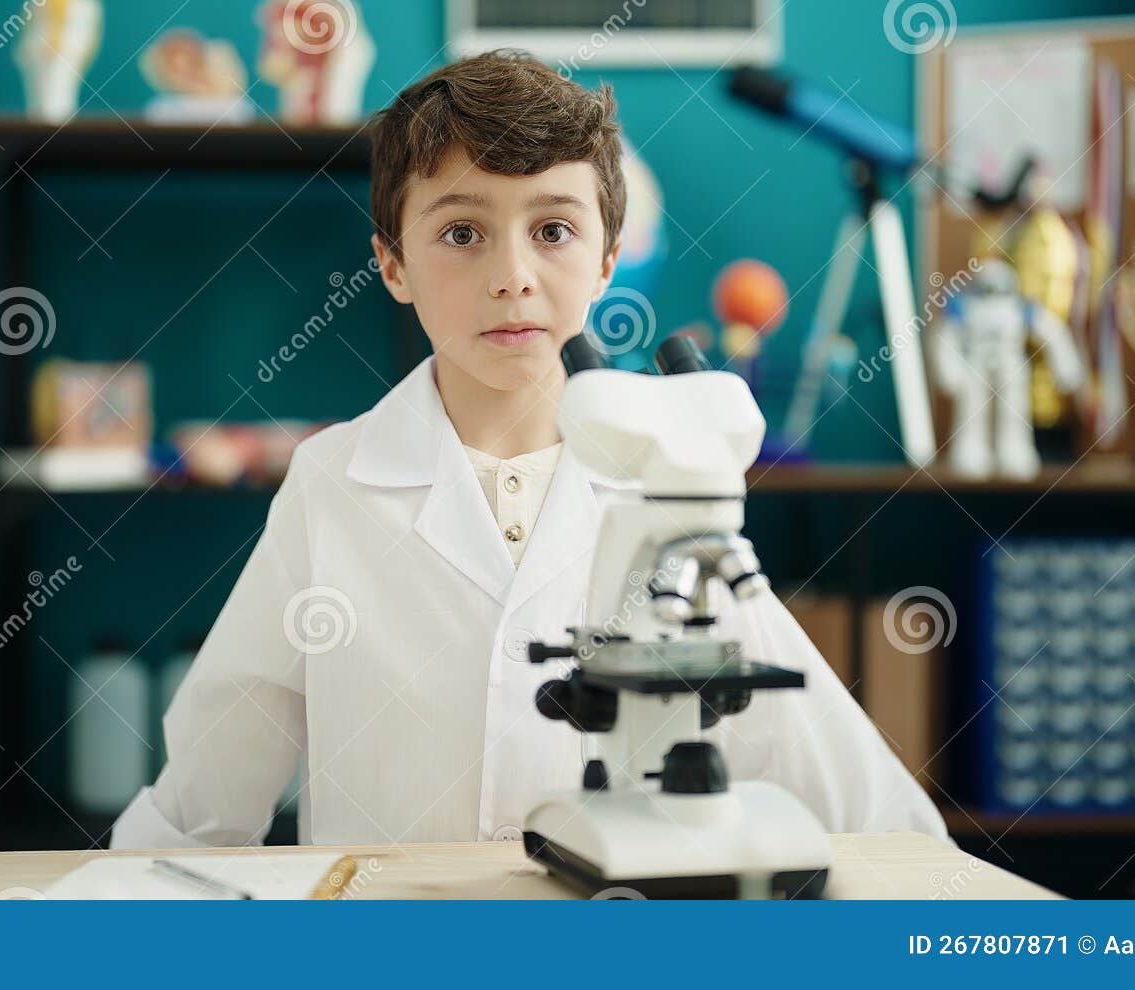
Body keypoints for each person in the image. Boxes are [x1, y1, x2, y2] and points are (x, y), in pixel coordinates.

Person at [113, 50, 946, 848]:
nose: (512, 274)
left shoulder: (672, 488)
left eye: (552, 229)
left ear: (609, 260)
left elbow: (875, 813)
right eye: (463, 233)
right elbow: (199, 812)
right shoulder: (331, 488)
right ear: (392, 263)